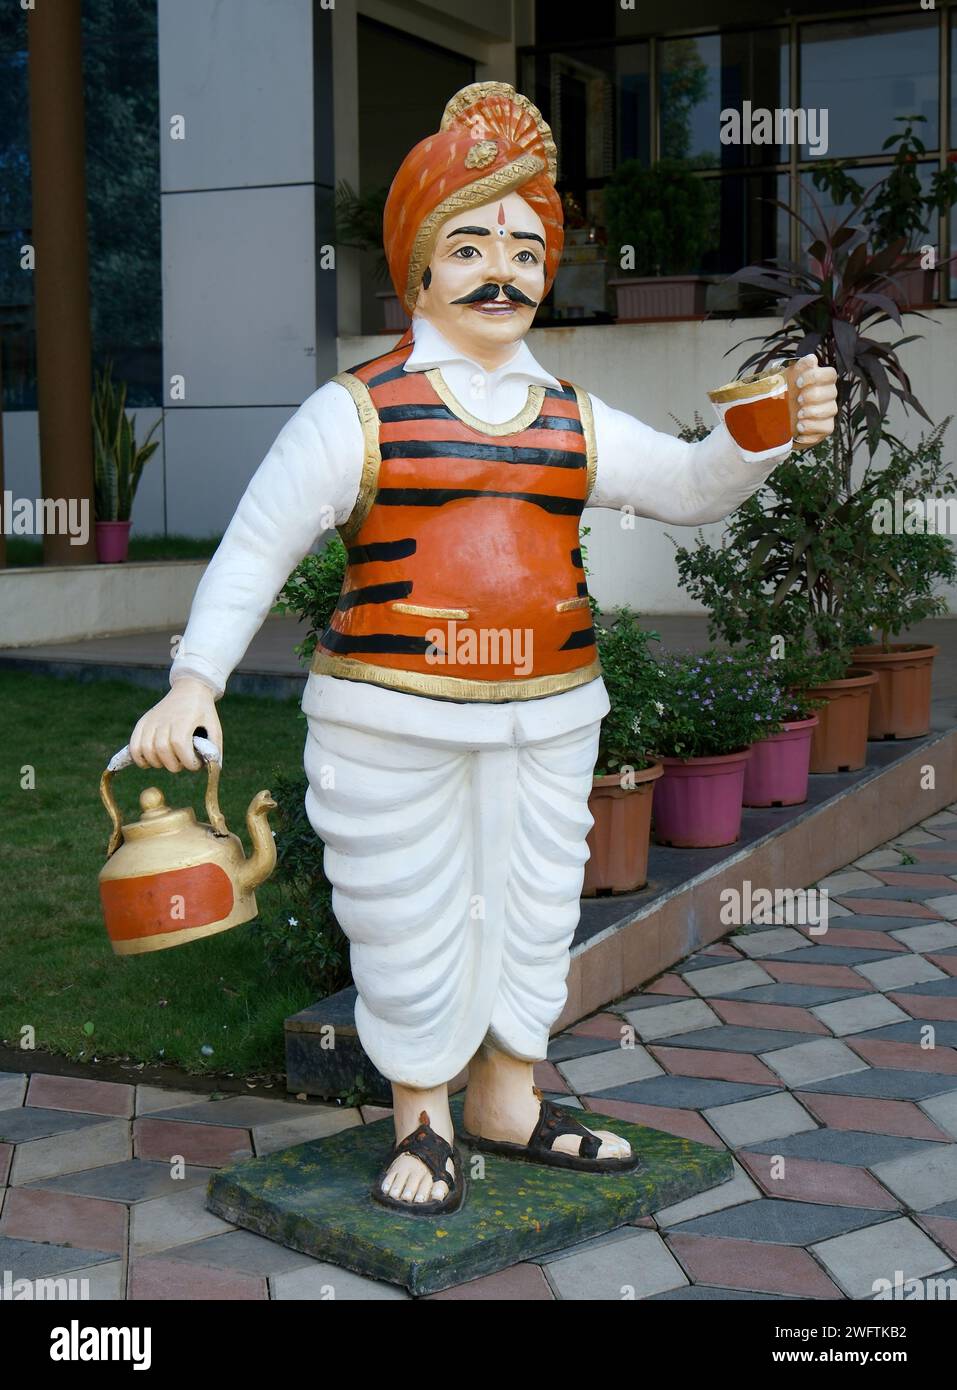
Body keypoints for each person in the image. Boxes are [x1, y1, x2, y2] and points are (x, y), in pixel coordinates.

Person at [129, 83, 838, 1215]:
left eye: (521, 246)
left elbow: (691, 484)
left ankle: (509, 1098)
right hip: (392, 719)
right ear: (418, 269)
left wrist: (764, 435)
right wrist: (194, 677)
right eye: (469, 245)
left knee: (530, 906)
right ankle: (423, 1118)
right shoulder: (352, 414)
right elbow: (256, 545)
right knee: (409, 907)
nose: (500, 270)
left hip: (551, 714)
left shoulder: (573, 414)